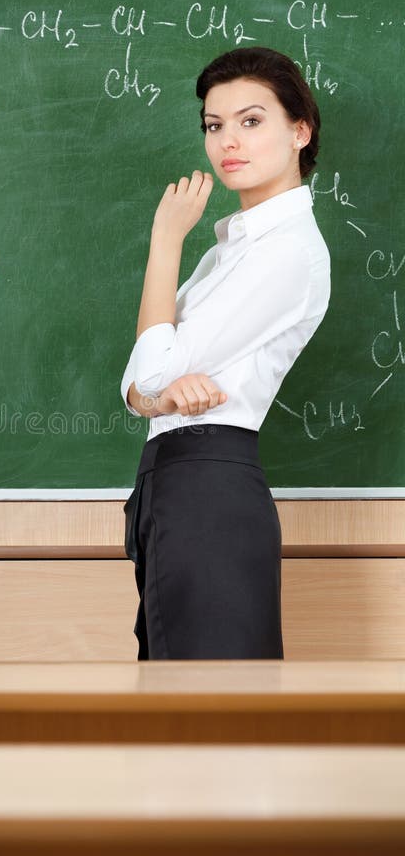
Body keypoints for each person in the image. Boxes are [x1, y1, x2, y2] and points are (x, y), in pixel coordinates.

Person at [120, 46, 331, 661]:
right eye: (214, 126)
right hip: (175, 487)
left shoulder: (287, 251)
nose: (227, 142)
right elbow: (137, 390)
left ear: (300, 130)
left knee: (214, 724)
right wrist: (157, 394)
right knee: (175, 721)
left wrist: (164, 241)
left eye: (251, 120)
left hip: (209, 489)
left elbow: (150, 372)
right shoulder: (226, 253)